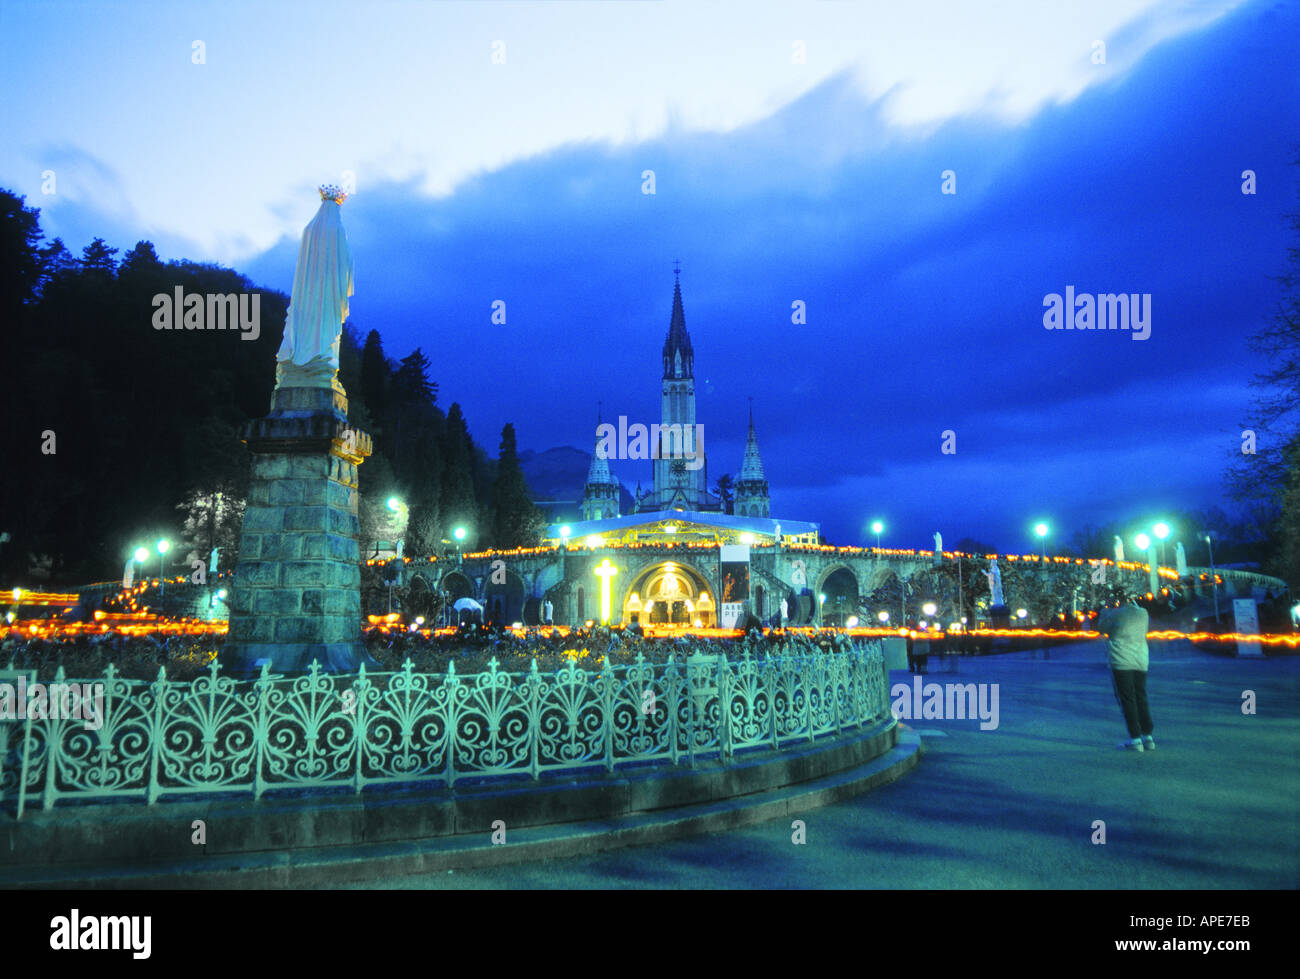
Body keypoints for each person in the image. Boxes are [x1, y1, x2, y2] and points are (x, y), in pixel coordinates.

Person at [1097, 593, 1155, 752]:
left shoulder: (1115, 614)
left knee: (1127, 699)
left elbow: (1101, 627)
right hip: (1141, 660)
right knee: (1141, 696)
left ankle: (1135, 738)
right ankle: (1147, 736)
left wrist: (1104, 609)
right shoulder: (1143, 613)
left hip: (1121, 660)